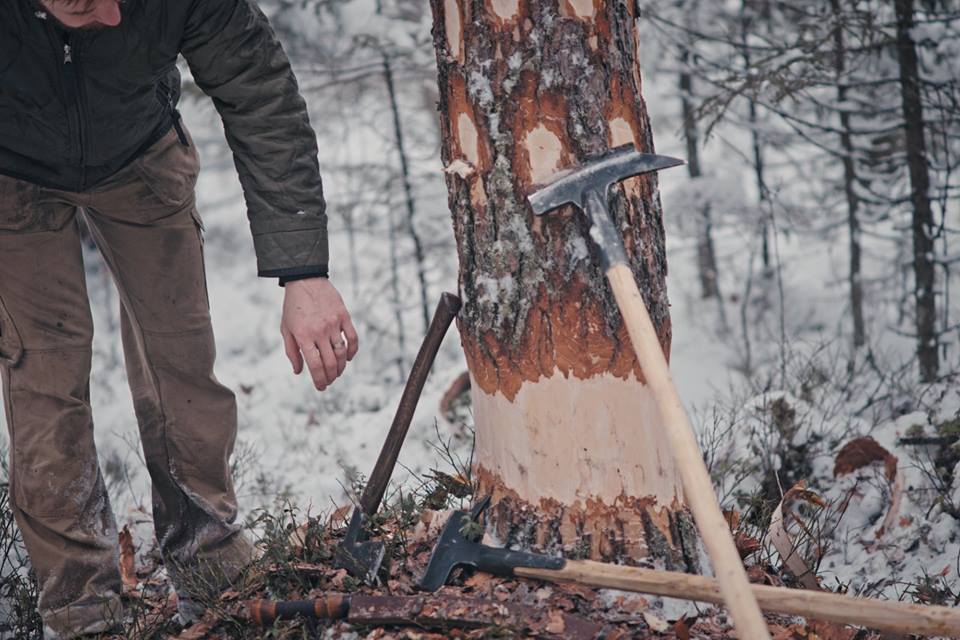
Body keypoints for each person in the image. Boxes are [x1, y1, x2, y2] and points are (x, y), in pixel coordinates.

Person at [0, 0, 358, 636]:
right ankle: (83, 612)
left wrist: (303, 269)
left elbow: (261, 92)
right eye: (85, 2)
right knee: (44, 386)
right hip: (11, 172)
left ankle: (210, 570)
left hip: (139, 154)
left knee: (181, 361)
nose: (114, 15)